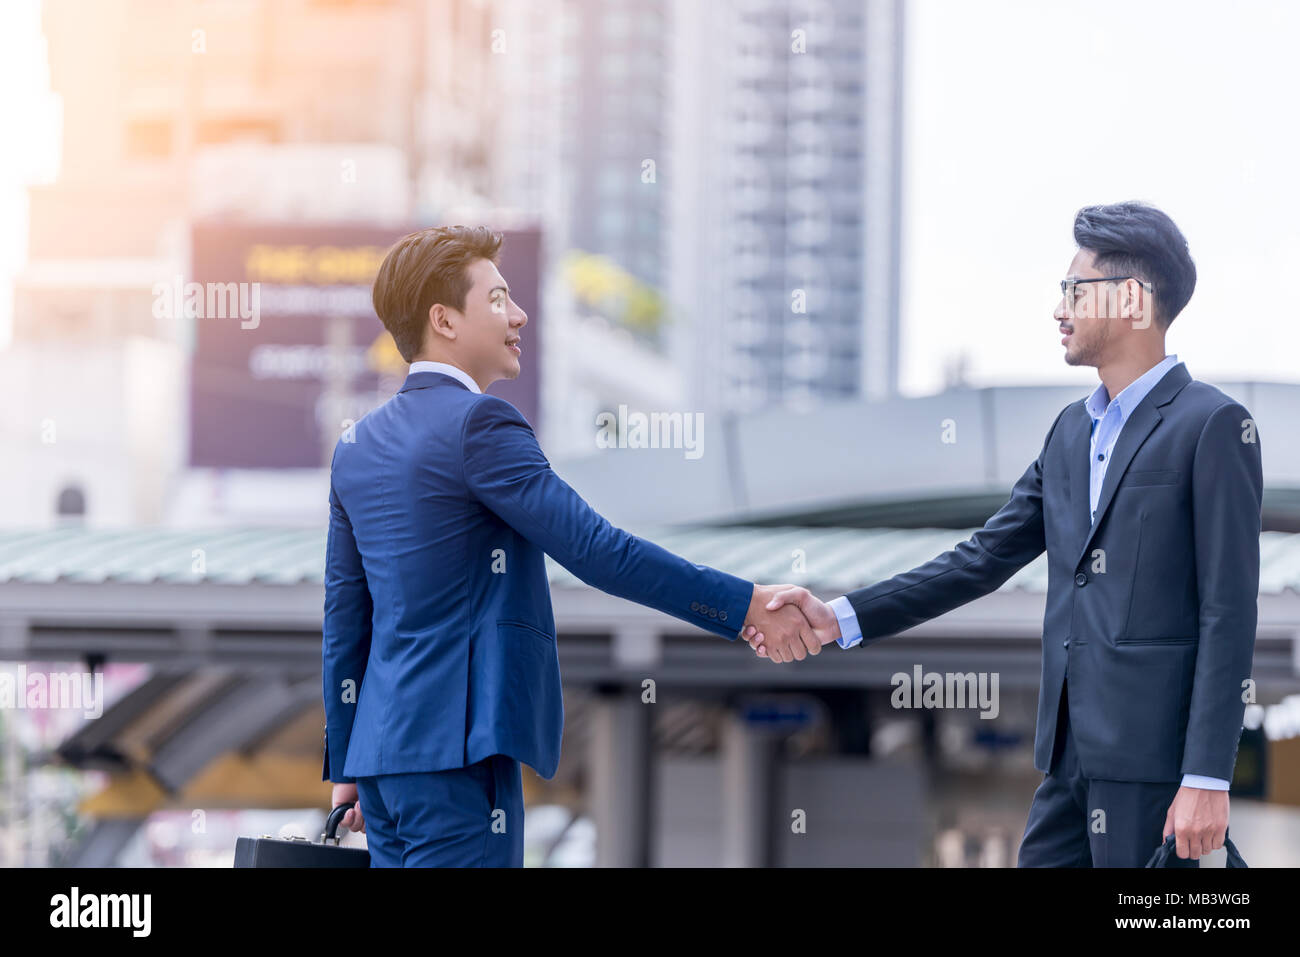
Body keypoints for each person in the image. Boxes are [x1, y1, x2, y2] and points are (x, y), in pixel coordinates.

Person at [747, 201, 1263, 867]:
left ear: (1133, 299)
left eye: (1075, 288)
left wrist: (1207, 776)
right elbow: (982, 558)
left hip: (1155, 767)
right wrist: (840, 616)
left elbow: (1229, 610)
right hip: (1067, 761)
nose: (1059, 308)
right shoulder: (1070, 432)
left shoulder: (1212, 425)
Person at [322, 225, 817, 866]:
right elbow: (595, 548)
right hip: (460, 753)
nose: (519, 315)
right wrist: (744, 605)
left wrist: (348, 766)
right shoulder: (480, 424)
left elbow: (345, 620)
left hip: (383, 766)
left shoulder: (354, 447)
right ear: (443, 320)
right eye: (498, 299)